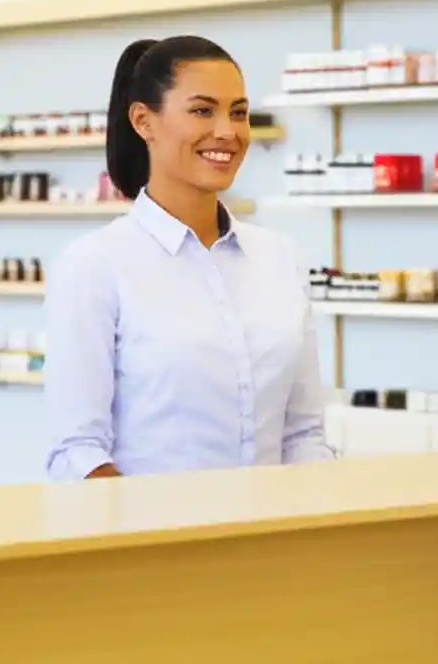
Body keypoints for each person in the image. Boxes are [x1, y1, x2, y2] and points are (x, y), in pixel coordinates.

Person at [45, 35, 334, 480]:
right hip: (156, 541)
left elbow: (303, 436)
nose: (228, 131)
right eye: (203, 110)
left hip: (274, 539)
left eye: (238, 112)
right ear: (144, 121)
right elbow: (77, 451)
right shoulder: (95, 265)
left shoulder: (280, 259)